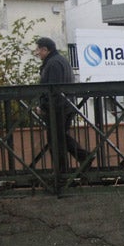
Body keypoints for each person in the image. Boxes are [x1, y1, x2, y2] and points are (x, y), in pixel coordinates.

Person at [34, 36, 92, 165]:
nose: (37, 53)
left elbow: (53, 89)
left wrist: (43, 107)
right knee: (59, 137)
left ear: (45, 49)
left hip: (58, 107)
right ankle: (82, 158)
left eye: (38, 50)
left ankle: (62, 170)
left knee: (55, 140)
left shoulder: (53, 63)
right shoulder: (61, 61)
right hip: (66, 105)